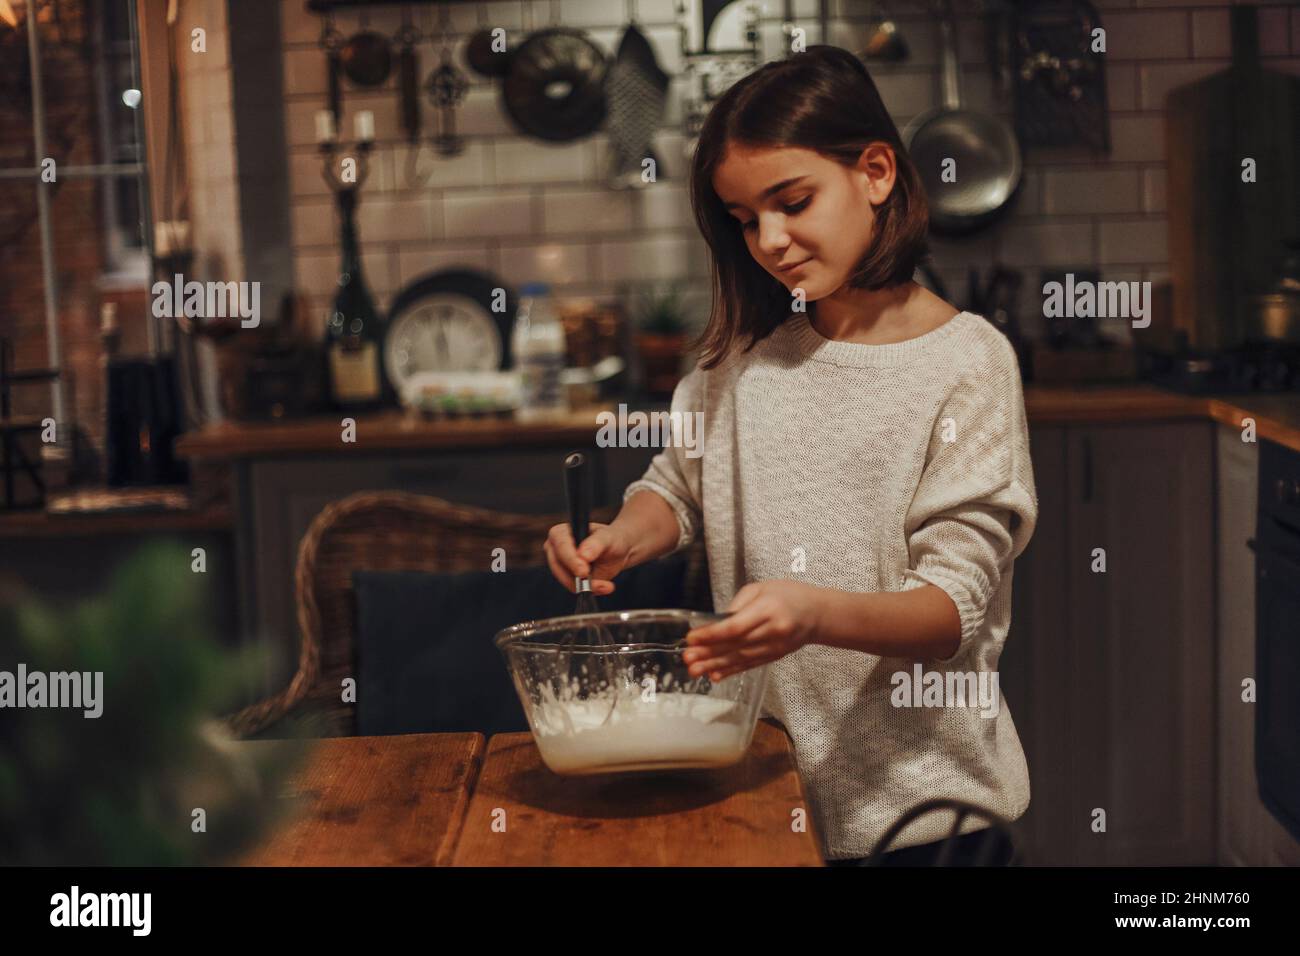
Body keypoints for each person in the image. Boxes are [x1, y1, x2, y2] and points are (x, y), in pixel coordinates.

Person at [544, 45, 1037, 866]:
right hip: (767, 800)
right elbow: (677, 485)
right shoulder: (741, 355)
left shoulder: (966, 363)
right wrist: (625, 535)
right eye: (743, 218)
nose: (768, 240)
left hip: (926, 822)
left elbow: (951, 611)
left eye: (792, 201)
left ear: (876, 171)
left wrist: (813, 615)